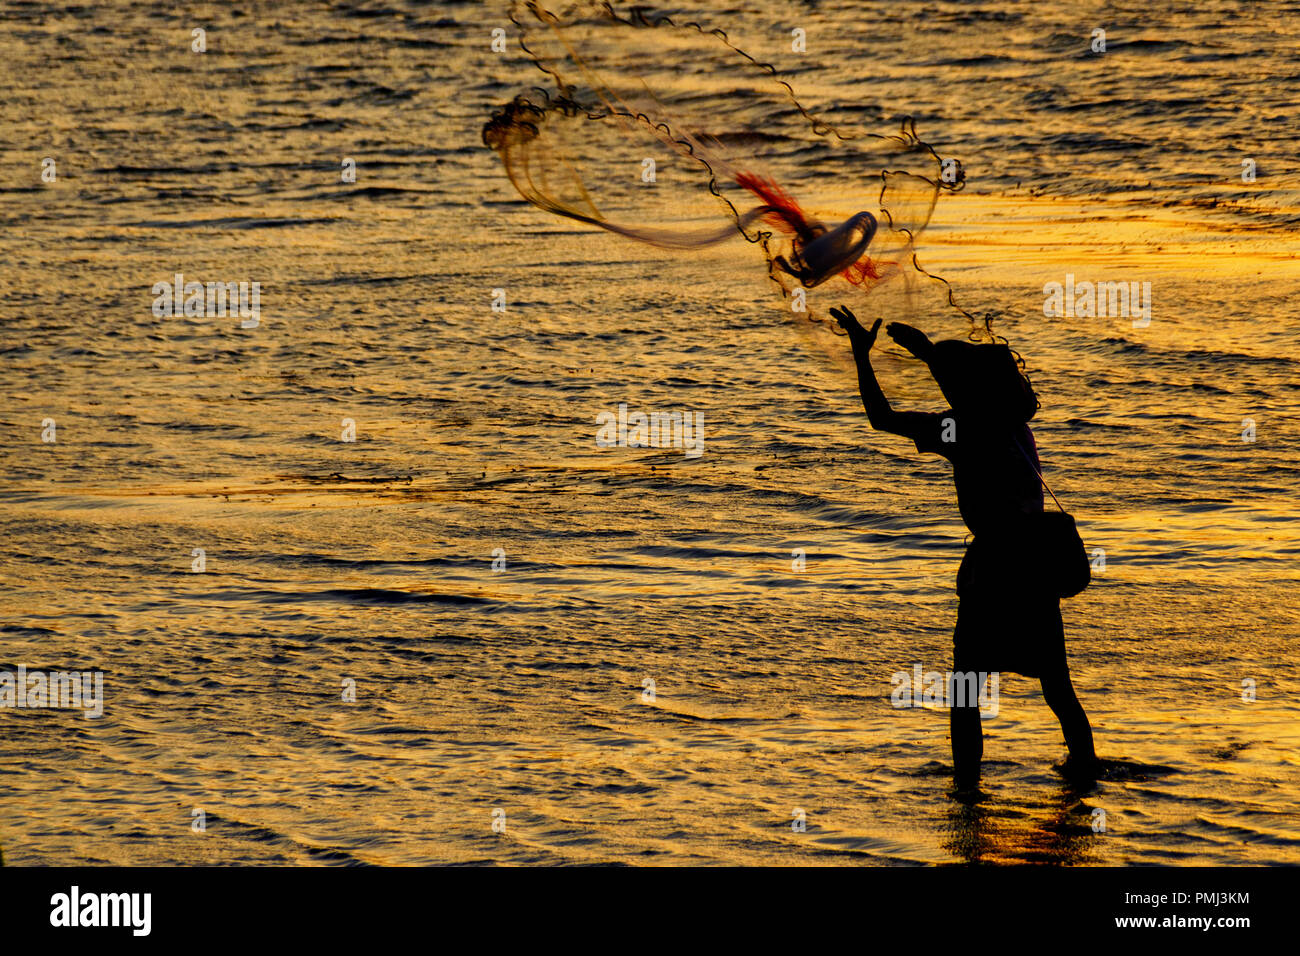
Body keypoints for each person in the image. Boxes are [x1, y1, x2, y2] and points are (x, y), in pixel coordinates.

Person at [831, 305, 1098, 789]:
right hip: (1034, 570)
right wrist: (929, 354)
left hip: (994, 571)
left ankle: (968, 790)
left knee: (966, 691)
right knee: (1058, 688)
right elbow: (973, 394)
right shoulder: (1016, 428)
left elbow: (880, 417)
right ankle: (1085, 774)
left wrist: (862, 355)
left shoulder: (961, 431)